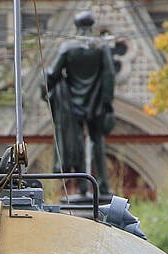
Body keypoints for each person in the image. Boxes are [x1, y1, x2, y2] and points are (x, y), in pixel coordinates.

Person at [44, 11, 117, 195]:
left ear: (76, 26)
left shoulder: (68, 48)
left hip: (73, 103)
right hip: (97, 102)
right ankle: (103, 185)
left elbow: (53, 74)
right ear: (92, 26)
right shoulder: (101, 47)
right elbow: (109, 74)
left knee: (77, 142)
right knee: (97, 141)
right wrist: (107, 102)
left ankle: (83, 187)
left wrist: (45, 86)